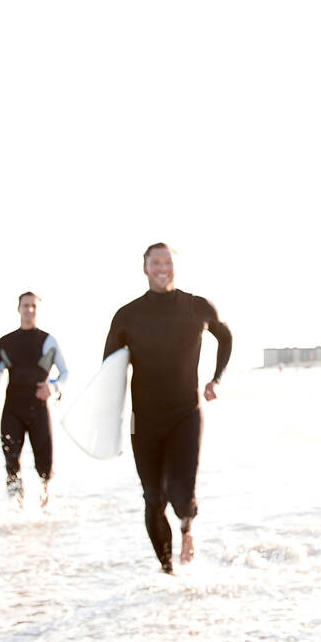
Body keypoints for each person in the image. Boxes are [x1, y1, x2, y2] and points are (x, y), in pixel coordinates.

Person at [104, 244, 232, 573]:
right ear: (145, 268)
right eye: (155, 262)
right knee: (152, 498)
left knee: (181, 495)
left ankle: (187, 529)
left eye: (168, 262)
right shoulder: (127, 316)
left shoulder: (196, 307)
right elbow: (109, 372)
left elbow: (225, 335)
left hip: (185, 415)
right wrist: (108, 429)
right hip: (141, 421)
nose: (162, 268)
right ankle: (167, 572)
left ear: (175, 267)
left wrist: (215, 380)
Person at [0, 291, 68, 508]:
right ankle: (16, 510)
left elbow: (66, 373)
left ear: (37, 310)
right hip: (12, 409)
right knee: (11, 462)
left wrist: (53, 387)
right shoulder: (6, 343)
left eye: (33, 306)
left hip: (39, 409)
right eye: (26, 305)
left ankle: (45, 506)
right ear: (18, 308)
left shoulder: (48, 341)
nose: (29, 310)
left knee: (45, 464)